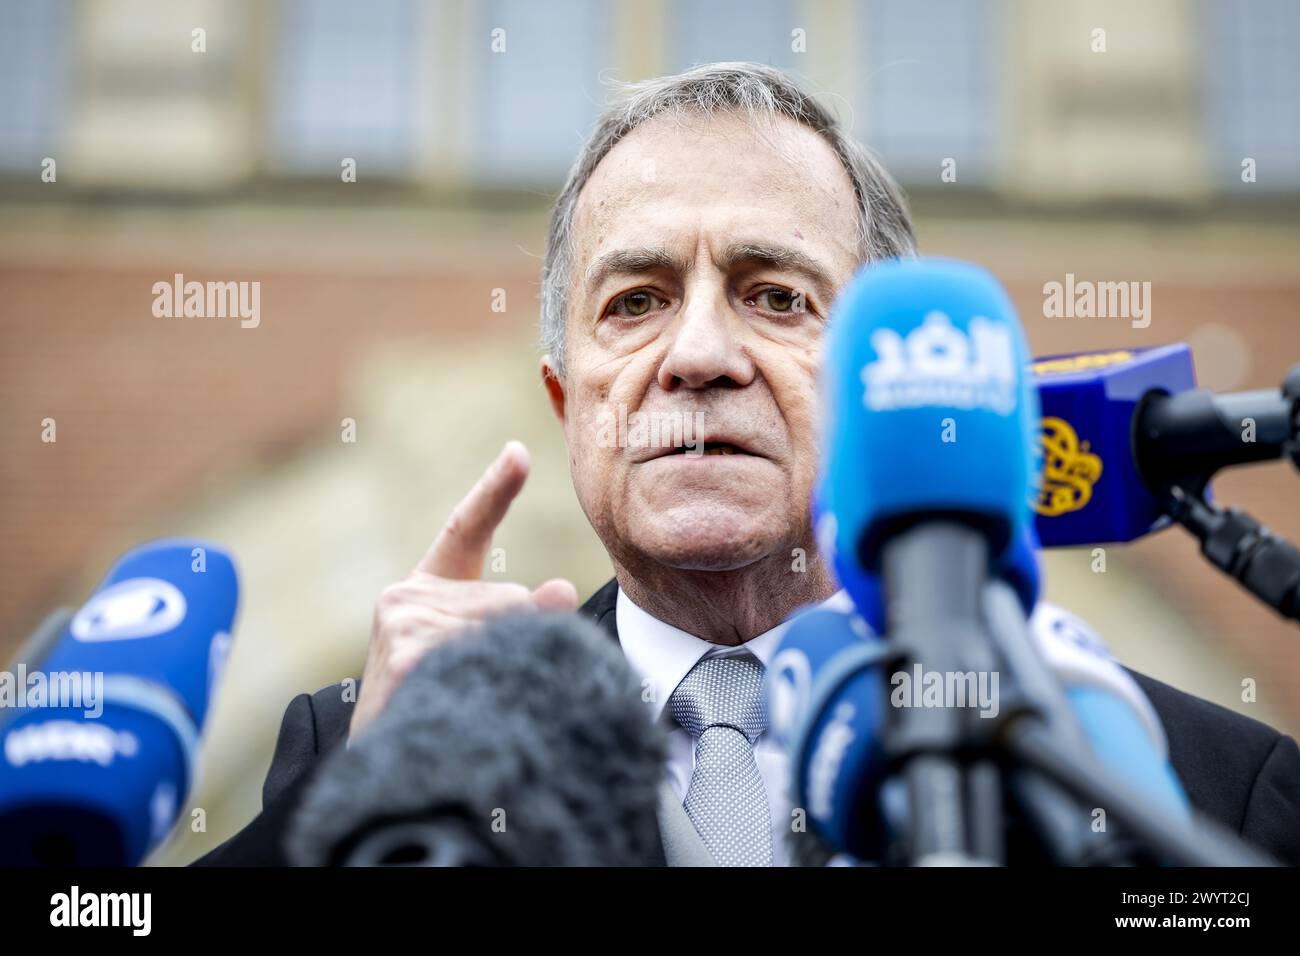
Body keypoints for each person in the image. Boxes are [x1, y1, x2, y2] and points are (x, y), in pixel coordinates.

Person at [197, 62, 1300, 867]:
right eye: (635, 302)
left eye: (775, 294)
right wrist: (356, 805)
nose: (699, 356)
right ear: (565, 399)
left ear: (876, 386)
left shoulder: (1191, 786)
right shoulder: (362, 748)